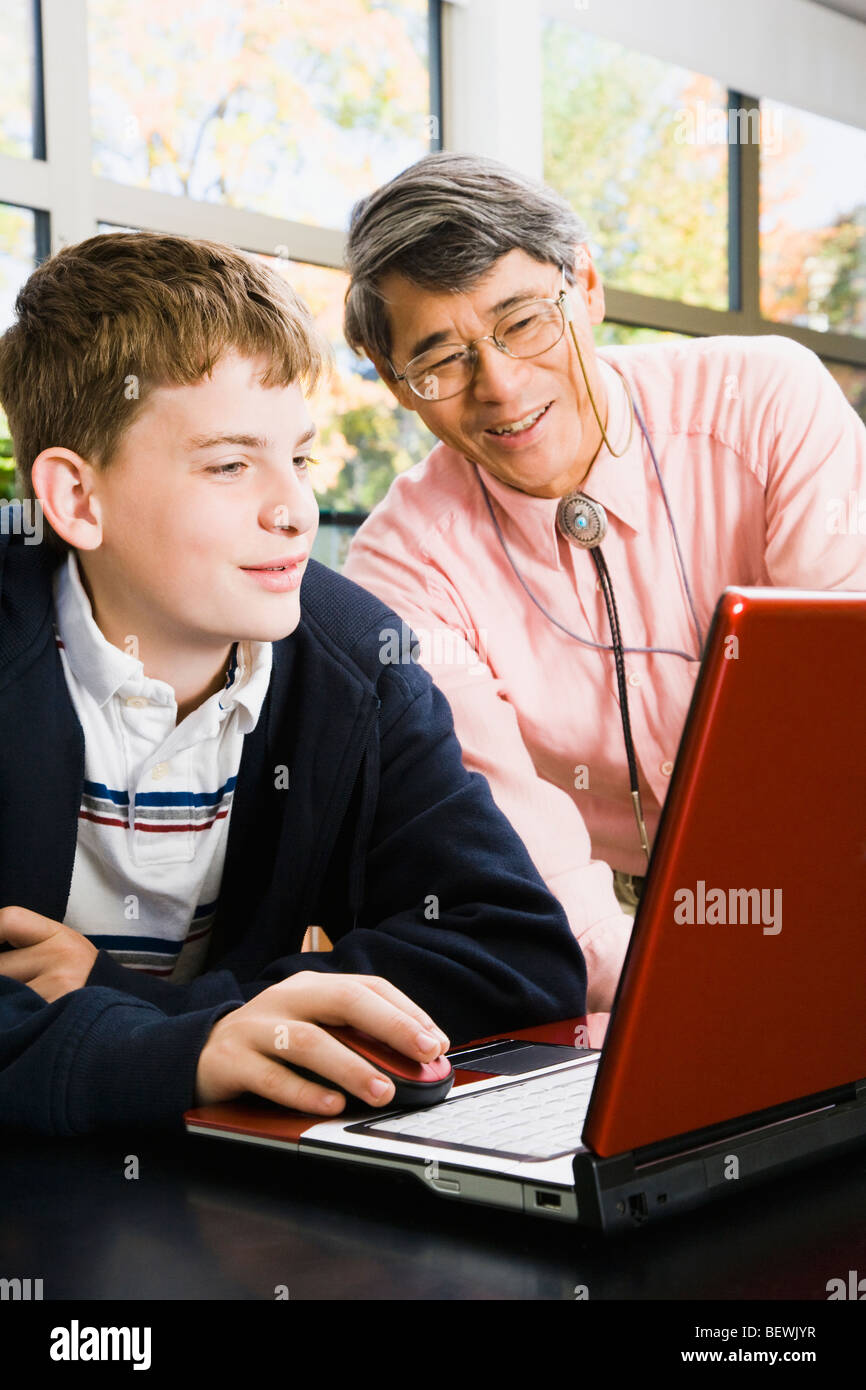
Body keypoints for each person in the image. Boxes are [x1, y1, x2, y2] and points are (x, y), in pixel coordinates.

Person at [0, 231, 588, 1135]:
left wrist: (169, 1020)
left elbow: (512, 951)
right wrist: (186, 1049)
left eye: (301, 459)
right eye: (231, 464)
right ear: (78, 500)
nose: (295, 510)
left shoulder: (362, 663)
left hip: (228, 1197)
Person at [341, 151, 866, 1012]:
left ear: (585, 285)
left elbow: (834, 720)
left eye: (523, 322)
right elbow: (526, 857)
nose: (502, 387)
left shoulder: (766, 401)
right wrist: (684, 1001)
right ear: (398, 385)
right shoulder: (400, 567)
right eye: (442, 359)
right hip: (605, 946)